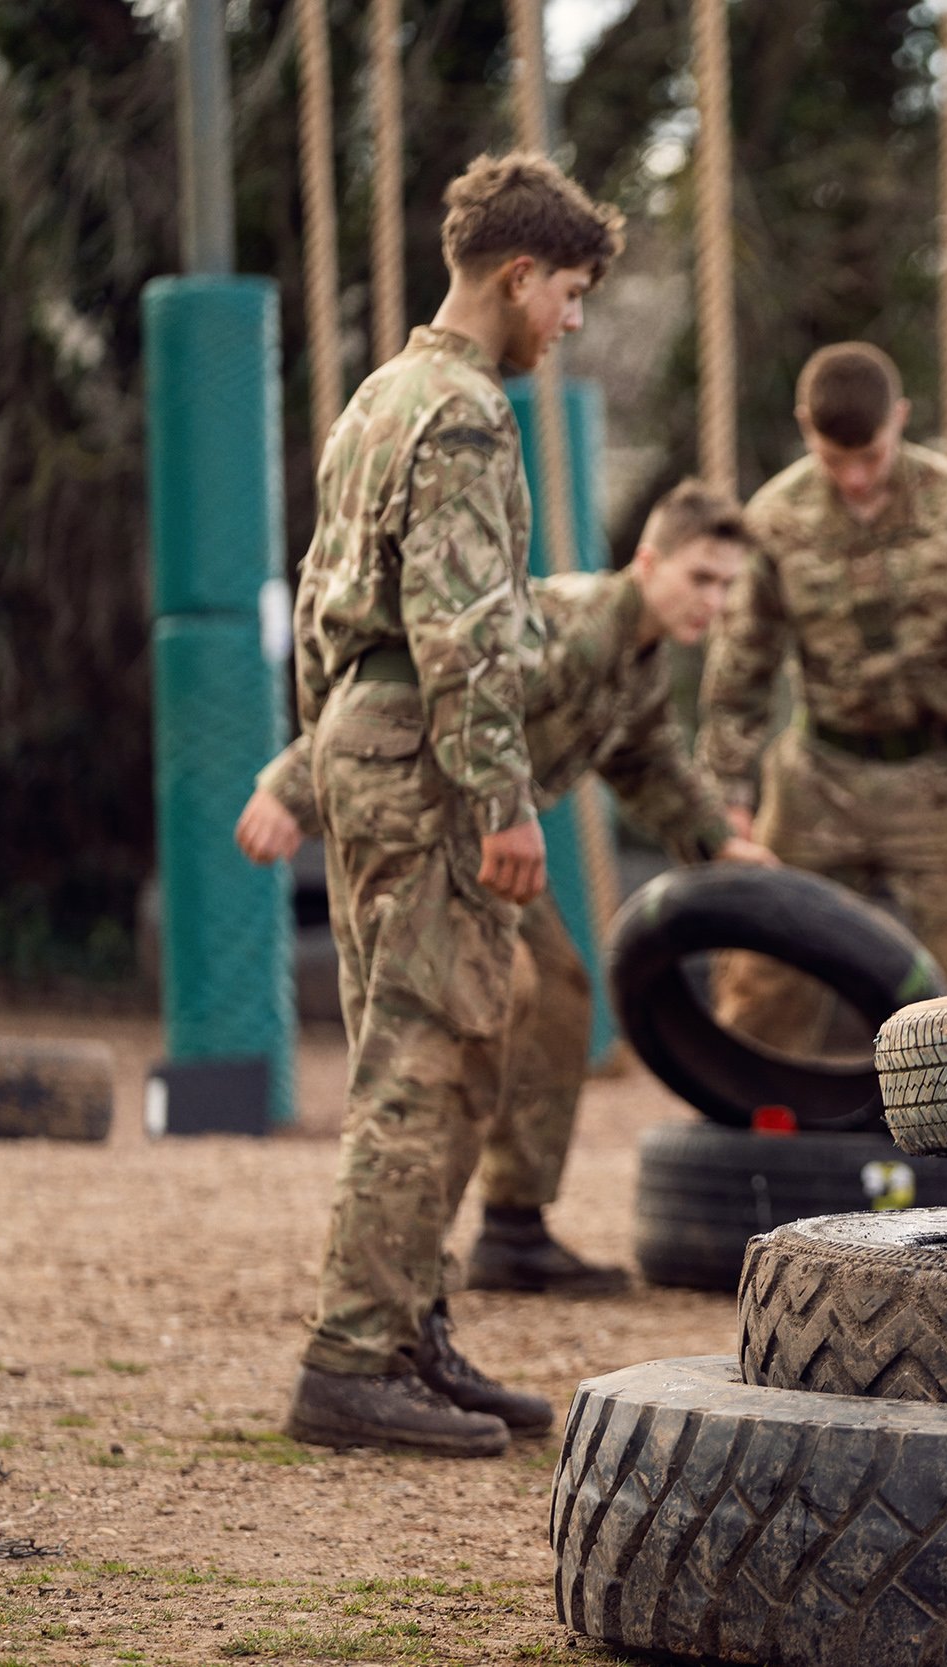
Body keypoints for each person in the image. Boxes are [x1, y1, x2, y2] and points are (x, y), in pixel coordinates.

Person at [275, 153, 622, 1457]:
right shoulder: (467, 412)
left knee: (405, 1043)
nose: (573, 321)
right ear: (518, 275)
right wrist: (500, 795)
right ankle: (355, 1353)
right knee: (436, 1056)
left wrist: (325, 752)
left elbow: (320, 601)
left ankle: (409, 1328)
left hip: (366, 735)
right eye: (571, 293)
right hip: (429, 751)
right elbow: (466, 628)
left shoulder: (380, 395)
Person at [241, 479, 772, 1295]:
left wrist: (720, 844)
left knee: (559, 989)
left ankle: (515, 1228)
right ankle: (398, 1250)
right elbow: (434, 685)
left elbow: (650, 762)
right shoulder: (575, 629)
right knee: (484, 1004)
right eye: (702, 578)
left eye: (729, 585)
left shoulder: (639, 661)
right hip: (427, 821)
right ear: (649, 561)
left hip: (491, 847)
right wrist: (291, 785)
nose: (717, 600)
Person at [697, 343, 947, 1047]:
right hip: (822, 773)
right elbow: (741, 664)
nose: (856, 479)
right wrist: (728, 793)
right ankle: (752, 1133)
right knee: (761, 959)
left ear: (900, 419)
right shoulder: (776, 517)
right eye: (836, 460)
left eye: (872, 456)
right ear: (806, 428)